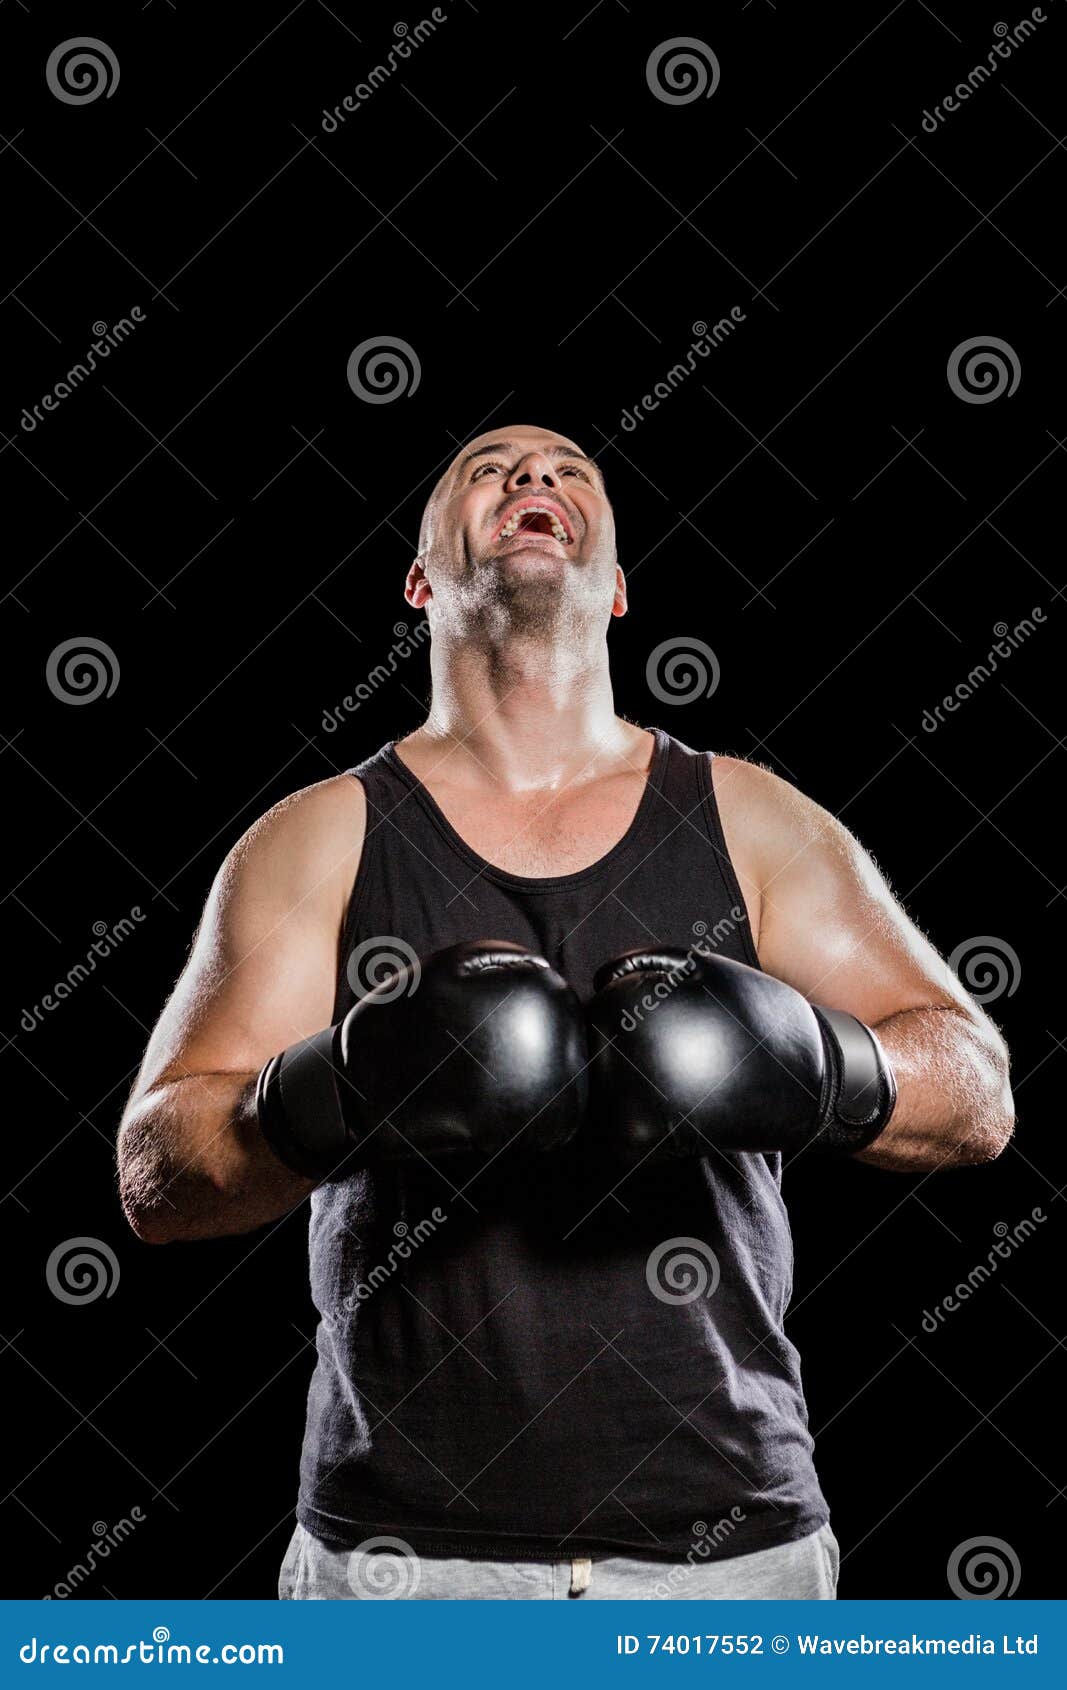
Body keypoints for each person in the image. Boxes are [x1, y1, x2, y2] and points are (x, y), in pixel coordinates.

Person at [117, 424, 1014, 1601]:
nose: (532, 477)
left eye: (568, 469)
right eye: (487, 468)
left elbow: (976, 1088)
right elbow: (154, 1173)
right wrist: (340, 1087)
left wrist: (825, 1064)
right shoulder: (314, 840)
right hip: (402, 1562)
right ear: (420, 580)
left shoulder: (748, 817)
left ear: (620, 588)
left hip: (729, 1552)